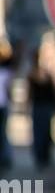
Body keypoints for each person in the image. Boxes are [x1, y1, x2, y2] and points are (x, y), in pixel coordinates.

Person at [29, 49, 55, 168]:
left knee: (45, 132)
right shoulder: (33, 74)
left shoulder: (46, 74)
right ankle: (41, 157)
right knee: (39, 132)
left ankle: (44, 156)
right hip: (39, 106)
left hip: (45, 106)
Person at [0, 40, 13, 170]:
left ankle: (5, 157)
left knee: (3, 132)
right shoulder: (6, 72)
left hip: (3, 105)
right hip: (3, 104)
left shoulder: (6, 71)